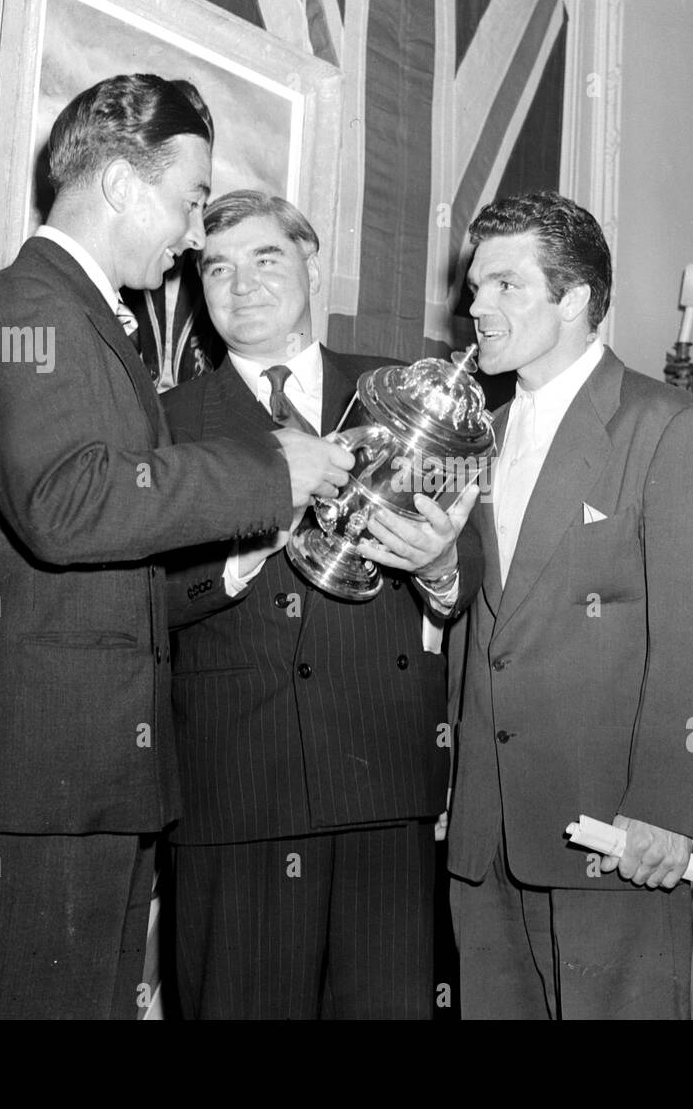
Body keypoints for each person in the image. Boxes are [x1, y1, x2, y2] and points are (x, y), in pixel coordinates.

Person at [0, 76, 353, 1019]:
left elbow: (102, 548)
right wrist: (270, 469)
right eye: (188, 201)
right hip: (18, 801)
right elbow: (68, 502)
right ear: (124, 188)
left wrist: (241, 547)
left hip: (70, 795)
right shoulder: (24, 308)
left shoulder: (86, 324)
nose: (190, 236)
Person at [161, 191, 482, 1018]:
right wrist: (241, 552)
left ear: (311, 262)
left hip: (383, 790)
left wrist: (441, 565)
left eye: (266, 259)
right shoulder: (162, 423)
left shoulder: (402, 395)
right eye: (217, 267)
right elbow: (132, 600)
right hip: (236, 796)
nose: (241, 284)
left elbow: (465, 575)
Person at [445, 191, 693, 1019]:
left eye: (505, 285)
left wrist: (664, 810)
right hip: (486, 841)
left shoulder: (670, 426)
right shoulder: (478, 437)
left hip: (611, 837)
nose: (477, 307)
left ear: (574, 299)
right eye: (474, 288)